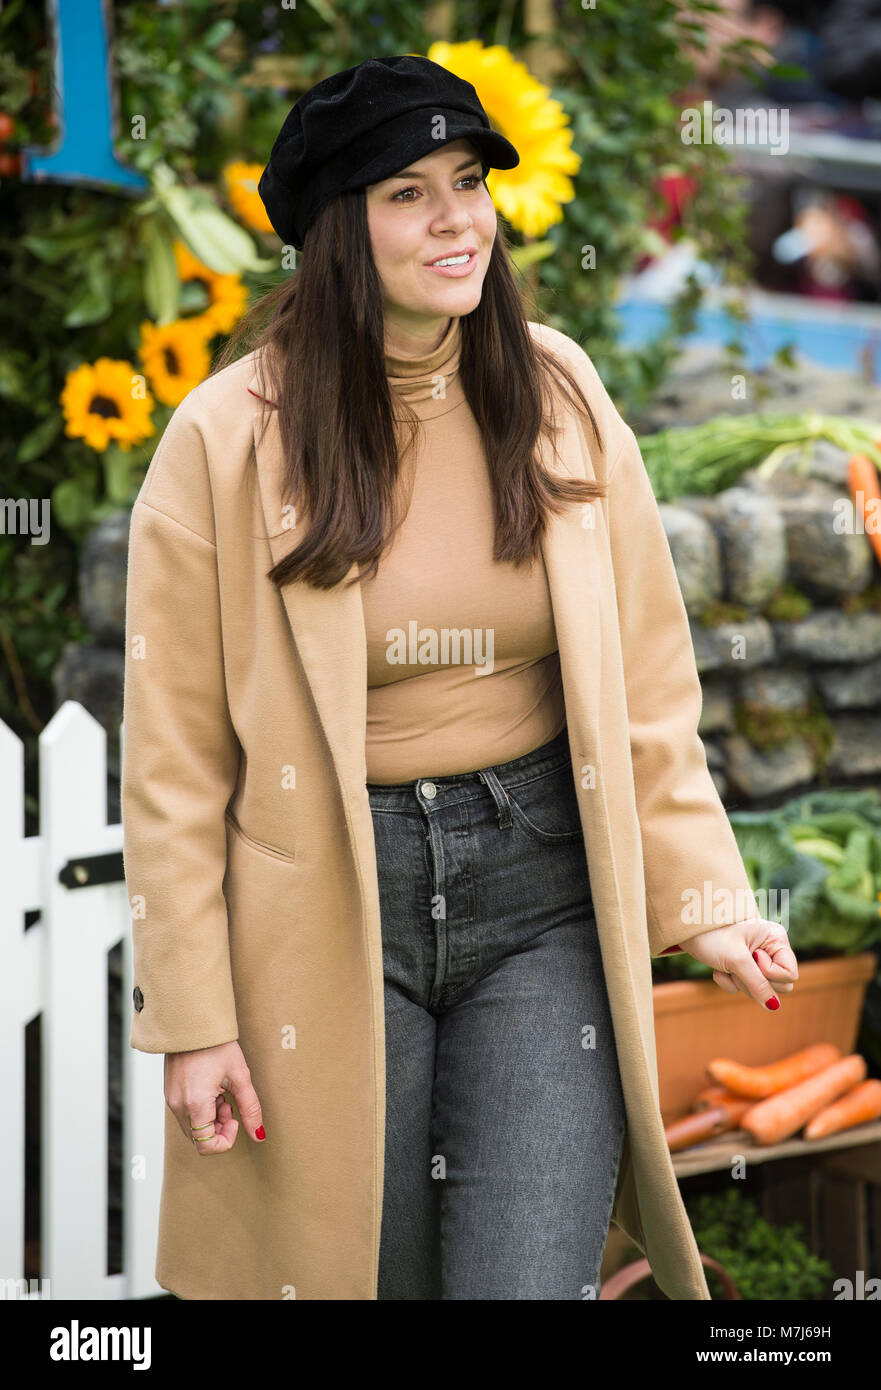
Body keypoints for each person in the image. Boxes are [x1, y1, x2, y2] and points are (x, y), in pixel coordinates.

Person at [122, 55, 798, 1302]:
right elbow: (172, 762)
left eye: (469, 181)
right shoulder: (223, 437)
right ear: (336, 228)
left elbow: (648, 684)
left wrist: (703, 901)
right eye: (406, 192)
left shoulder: (558, 394)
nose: (456, 219)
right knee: (356, 1279)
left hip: (539, 900)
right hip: (322, 912)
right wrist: (195, 1017)